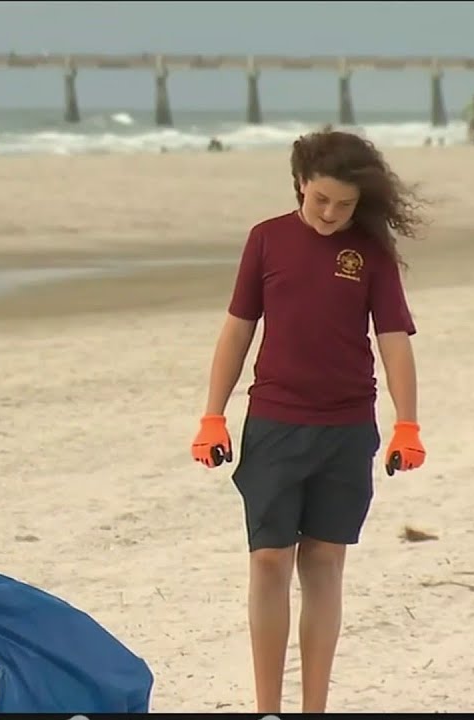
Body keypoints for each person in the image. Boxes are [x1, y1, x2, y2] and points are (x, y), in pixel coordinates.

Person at [190, 130, 429, 713]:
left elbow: (393, 340)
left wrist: (408, 424)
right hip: (274, 422)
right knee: (270, 559)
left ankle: (313, 708)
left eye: (345, 205)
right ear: (300, 182)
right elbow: (238, 330)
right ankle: (267, 707)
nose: (330, 213)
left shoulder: (370, 253)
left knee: (323, 564)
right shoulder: (266, 240)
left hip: (347, 429)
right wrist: (213, 415)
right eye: (321, 199)